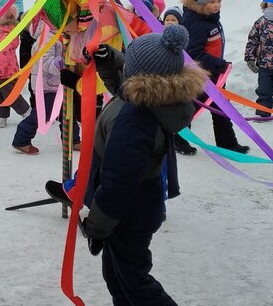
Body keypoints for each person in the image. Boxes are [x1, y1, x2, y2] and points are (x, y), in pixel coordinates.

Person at [82, 25, 206, 306]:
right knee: (117, 277)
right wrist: (109, 59)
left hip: (127, 213)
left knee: (135, 282)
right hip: (137, 208)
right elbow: (125, 87)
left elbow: (119, 182)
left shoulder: (133, 121)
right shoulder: (155, 100)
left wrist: (98, 225)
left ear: (139, 77)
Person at [181, 0, 250, 154]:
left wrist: (218, 67)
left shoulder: (210, 20)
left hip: (215, 74)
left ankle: (227, 143)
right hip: (201, 76)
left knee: (221, 109)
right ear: (201, 4)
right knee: (191, 109)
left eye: (219, 1)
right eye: (212, 1)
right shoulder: (198, 24)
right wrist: (219, 63)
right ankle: (178, 139)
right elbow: (193, 54)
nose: (217, 5)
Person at [11, 22, 79, 154]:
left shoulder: (63, 36)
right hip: (46, 86)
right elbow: (45, 63)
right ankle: (21, 140)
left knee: (69, 112)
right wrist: (63, 62)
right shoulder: (47, 38)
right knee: (42, 115)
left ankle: (73, 140)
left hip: (59, 84)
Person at [0, 6, 31, 128]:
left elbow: (3, 56)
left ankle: (27, 112)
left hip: (6, 73)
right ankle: (1, 117)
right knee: (0, 96)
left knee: (11, 96)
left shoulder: (3, 36)